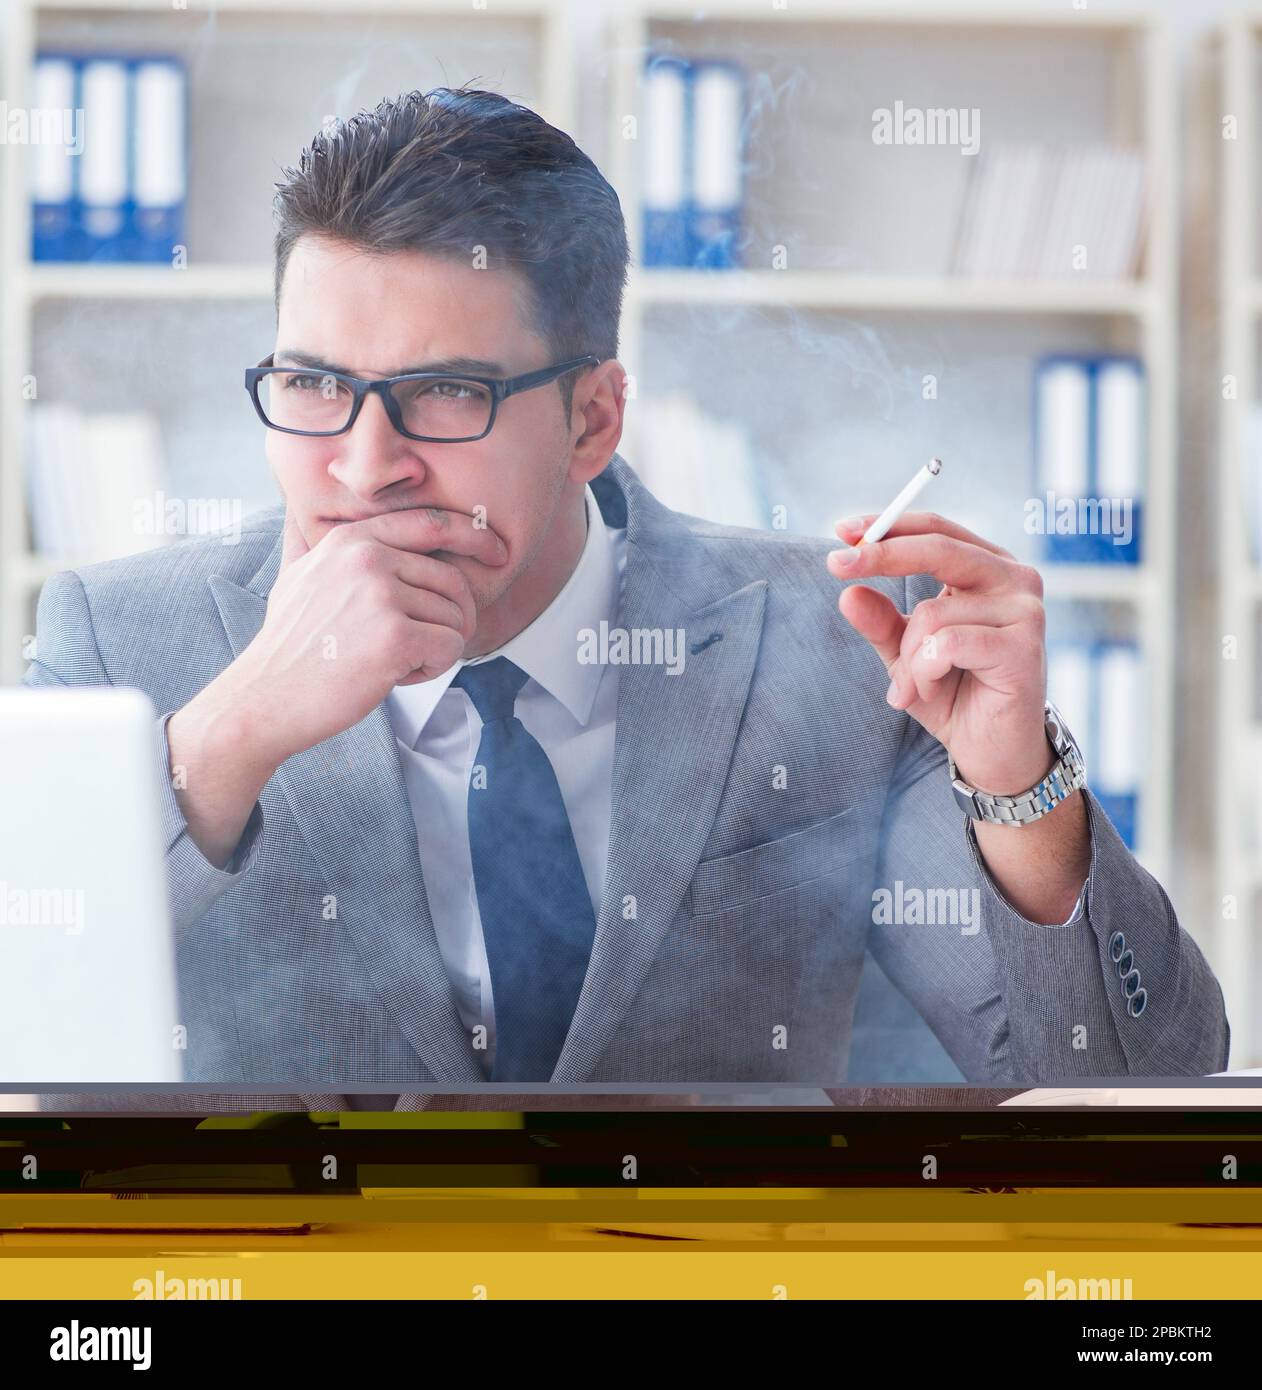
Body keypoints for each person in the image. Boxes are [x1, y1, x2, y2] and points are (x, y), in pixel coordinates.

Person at [25, 87, 1228, 1102]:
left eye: (444, 392)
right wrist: (225, 739)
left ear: (592, 417)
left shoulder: (830, 646)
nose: (359, 463)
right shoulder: (123, 643)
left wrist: (1019, 789)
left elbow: (1138, 1081)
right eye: (312, 381)